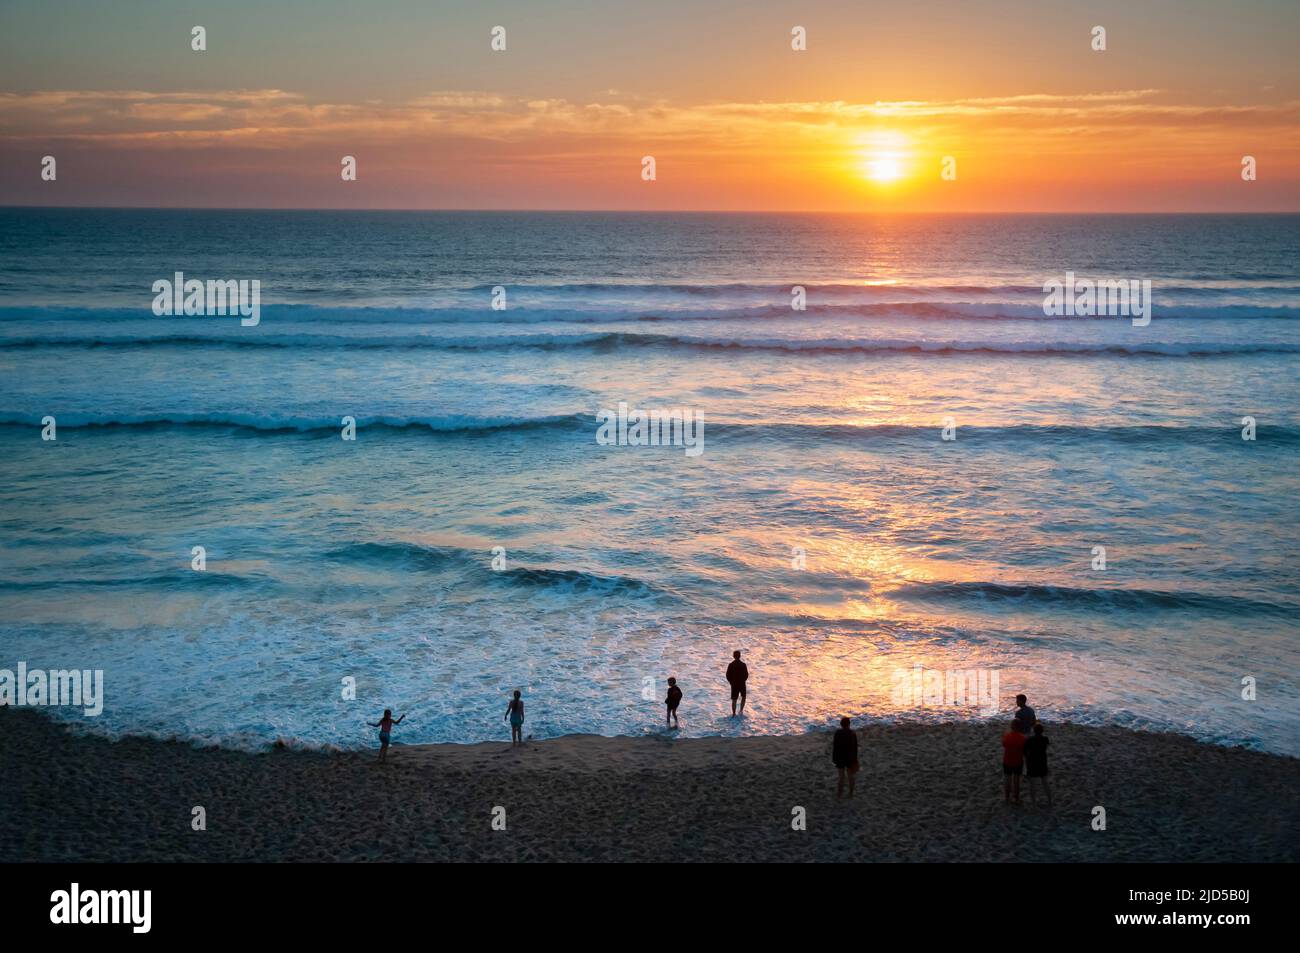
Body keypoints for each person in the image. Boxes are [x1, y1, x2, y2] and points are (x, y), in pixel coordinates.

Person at [1024, 721, 1052, 807]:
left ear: (1034, 730)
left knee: (1032, 783)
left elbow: (1025, 751)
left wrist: (1027, 759)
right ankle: (1049, 800)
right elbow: (1046, 747)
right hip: (1042, 761)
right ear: (1042, 731)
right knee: (1045, 781)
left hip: (1033, 762)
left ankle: (1034, 802)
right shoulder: (1045, 739)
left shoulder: (1030, 740)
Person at [832, 717, 859, 799]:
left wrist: (834, 758)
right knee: (850, 776)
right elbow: (855, 748)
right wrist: (855, 760)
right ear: (849, 724)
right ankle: (850, 794)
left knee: (841, 777)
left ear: (841, 724)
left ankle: (839, 795)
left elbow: (835, 747)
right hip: (850, 758)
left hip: (840, 757)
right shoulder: (852, 733)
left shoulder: (837, 733)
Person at [1002, 719, 1026, 804]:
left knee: (1007, 779)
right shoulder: (1023, 738)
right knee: (1016, 780)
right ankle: (1016, 798)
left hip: (1007, 760)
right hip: (1018, 761)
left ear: (1012, 727)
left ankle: (1007, 798)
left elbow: (1004, 744)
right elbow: (1024, 750)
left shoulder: (1007, 736)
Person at [725, 651, 749, 715]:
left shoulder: (731, 665)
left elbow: (727, 675)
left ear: (733, 656)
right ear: (740, 656)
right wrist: (743, 680)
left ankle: (734, 713)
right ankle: (741, 710)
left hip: (734, 684)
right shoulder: (743, 665)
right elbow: (746, 675)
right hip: (742, 684)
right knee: (743, 697)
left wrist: (731, 682)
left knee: (734, 699)